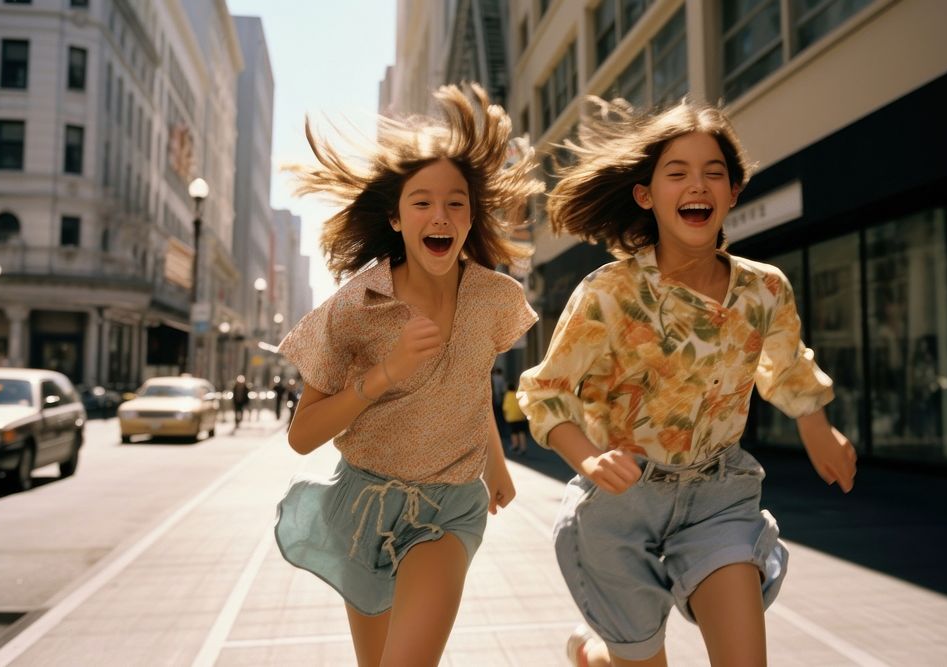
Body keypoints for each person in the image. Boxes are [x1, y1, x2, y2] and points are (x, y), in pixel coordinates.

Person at [517, 98, 858, 667]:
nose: (696, 185)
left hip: (718, 496)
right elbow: (546, 390)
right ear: (647, 195)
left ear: (732, 193)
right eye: (677, 172)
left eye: (713, 173)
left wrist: (816, 426)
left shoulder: (764, 289)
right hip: (620, 507)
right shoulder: (609, 293)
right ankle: (598, 655)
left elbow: (787, 364)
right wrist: (587, 459)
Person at [274, 83, 541, 666]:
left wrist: (494, 465)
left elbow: (471, 386)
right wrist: (386, 373)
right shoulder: (354, 307)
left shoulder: (494, 299)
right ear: (396, 217)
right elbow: (301, 437)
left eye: (455, 203)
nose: (440, 216)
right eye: (422, 202)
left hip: (450, 509)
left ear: (471, 217)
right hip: (362, 507)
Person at [501, 382, 527, 455]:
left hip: (511, 417)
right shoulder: (518, 395)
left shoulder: (507, 396)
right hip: (521, 417)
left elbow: (505, 408)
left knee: (514, 432)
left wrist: (505, 416)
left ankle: (515, 445)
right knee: (521, 432)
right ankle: (523, 448)